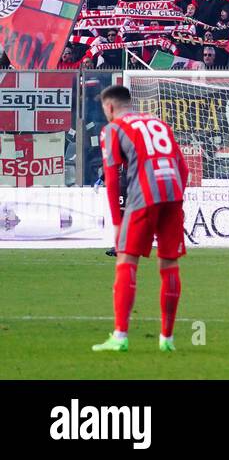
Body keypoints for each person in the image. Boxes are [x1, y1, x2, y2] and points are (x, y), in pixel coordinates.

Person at [91, 84, 188, 353]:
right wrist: (178, 194)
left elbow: (111, 179)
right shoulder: (158, 123)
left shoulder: (113, 129)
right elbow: (182, 166)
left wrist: (116, 223)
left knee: (126, 260)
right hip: (172, 193)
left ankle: (120, 337)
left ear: (110, 107)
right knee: (169, 265)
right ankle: (167, 339)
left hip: (143, 195)